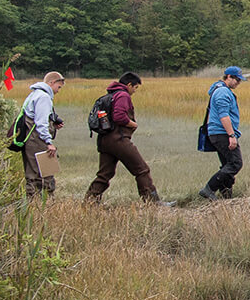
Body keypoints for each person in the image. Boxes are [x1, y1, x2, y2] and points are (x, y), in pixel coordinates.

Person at [84, 72, 165, 203]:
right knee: (142, 169)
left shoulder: (111, 94)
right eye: (135, 87)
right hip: (119, 140)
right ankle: (152, 202)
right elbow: (119, 117)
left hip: (104, 141)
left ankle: (89, 202)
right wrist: (134, 124)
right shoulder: (123, 95)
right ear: (129, 85)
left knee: (104, 175)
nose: (135, 91)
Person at [16, 72, 64, 198]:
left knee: (32, 174)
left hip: (30, 141)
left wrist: (53, 125)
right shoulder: (44, 97)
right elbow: (41, 123)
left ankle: (31, 205)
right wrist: (49, 142)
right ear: (51, 82)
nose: (58, 91)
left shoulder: (34, 94)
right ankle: (46, 204)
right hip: (38, 140)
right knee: (46, 174)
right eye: (59, 87)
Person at [199, 66, 244, 200]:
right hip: (222, 133)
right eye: (236, 79)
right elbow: (223, 116)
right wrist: (232, 135)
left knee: (227, 165)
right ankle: (209, 189)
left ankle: (227, 196)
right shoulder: (223, 92)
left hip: (218, 133)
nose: (238, 83)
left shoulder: (221, 90)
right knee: (236, 163)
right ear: (228, 77)